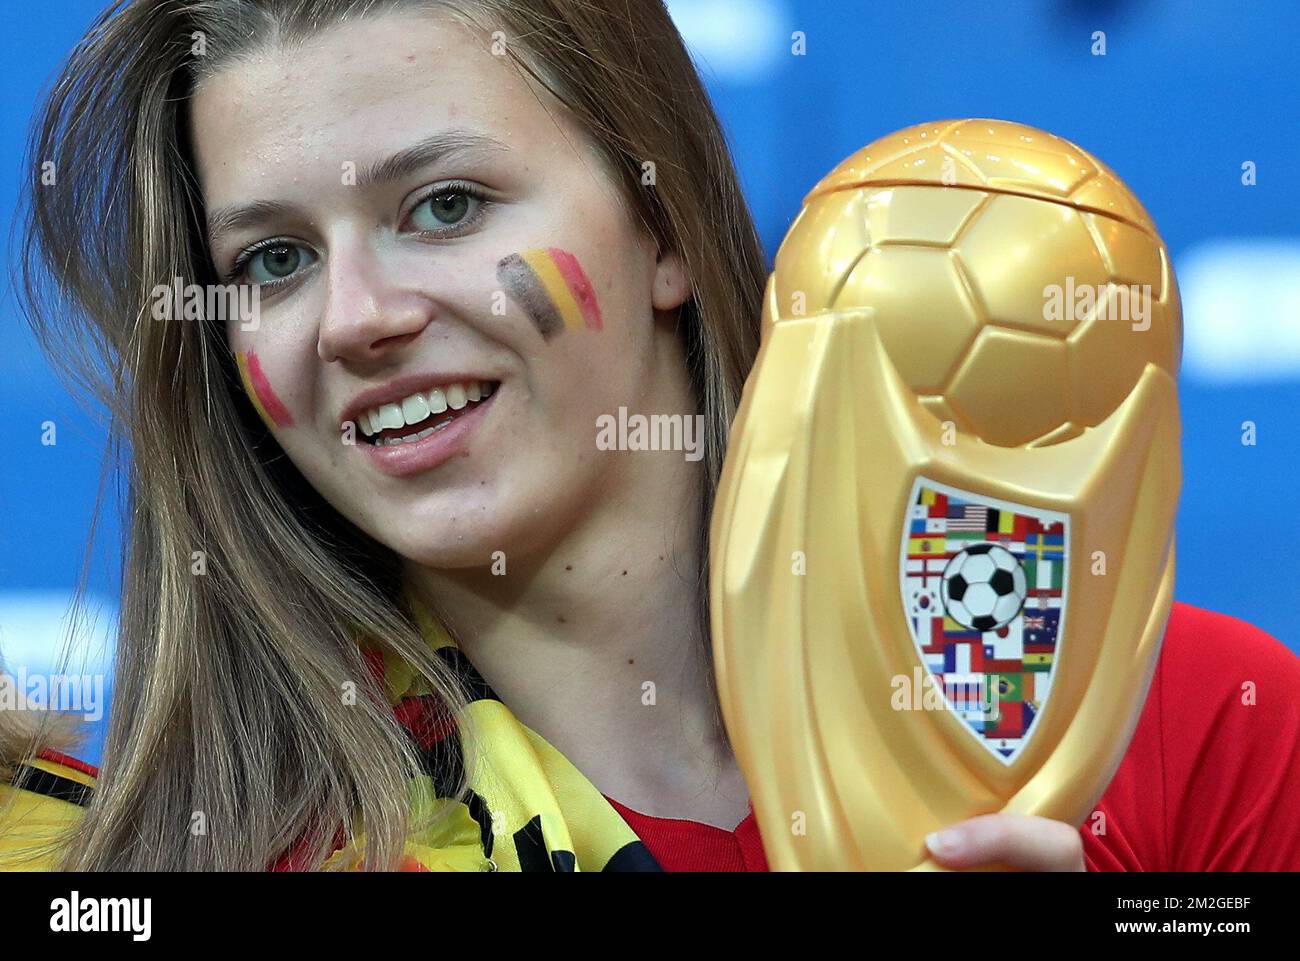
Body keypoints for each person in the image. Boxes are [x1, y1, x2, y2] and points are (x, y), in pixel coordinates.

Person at [2, 0, 1297, 872]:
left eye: (445, 204)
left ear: (663, 224)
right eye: (274, 257)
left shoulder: (1184, 722)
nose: (355, 319)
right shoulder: (245, 854)